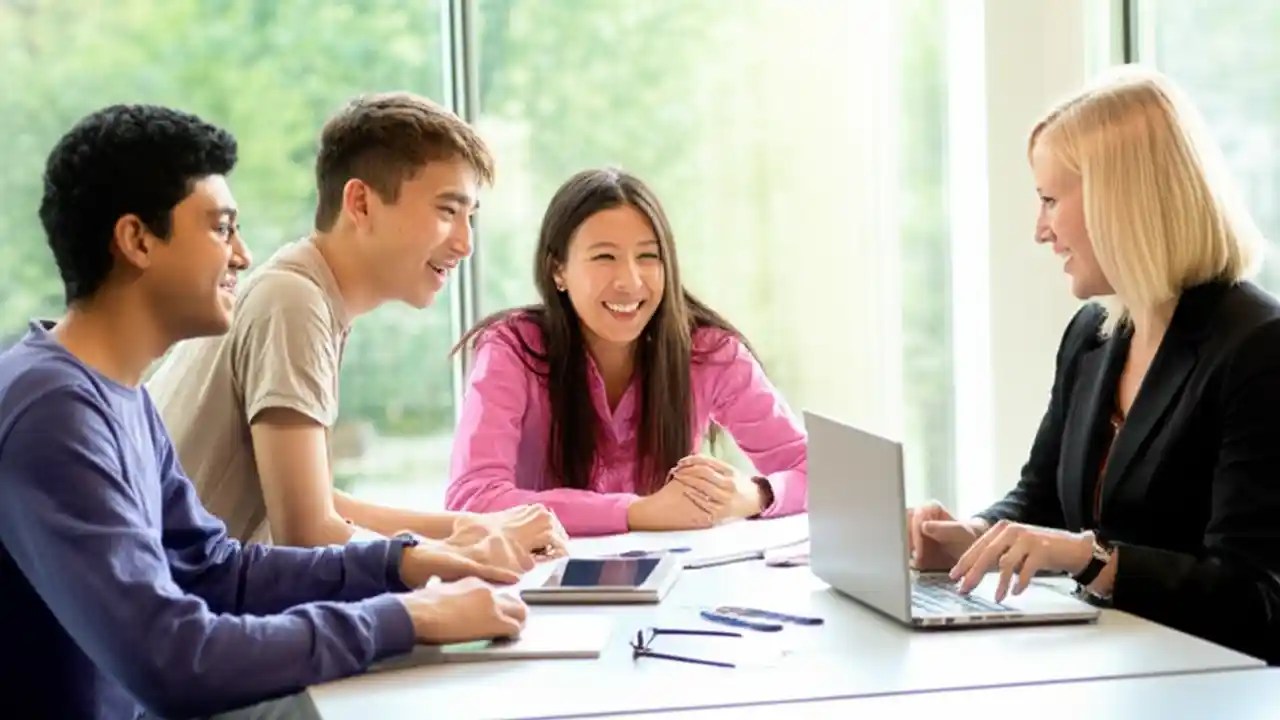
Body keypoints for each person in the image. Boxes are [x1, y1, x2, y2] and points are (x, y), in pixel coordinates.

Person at [0, 104, 528, 719]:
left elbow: (217, 569)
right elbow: (173, 657)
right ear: (137, 241)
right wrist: (406, 617)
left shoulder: (119, 394)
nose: (242, 255)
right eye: (221, 229)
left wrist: (402, 563)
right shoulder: (53, 411)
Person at [907, 66, 1280, 663]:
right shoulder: (1095, 335)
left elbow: (1256, 599)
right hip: (1113, 665)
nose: (1041, 230)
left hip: (1211, 684)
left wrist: (1093, 559)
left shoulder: (1259, 347)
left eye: (1050, 201)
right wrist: (965, 540)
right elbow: (1038, 503)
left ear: (1120, 203)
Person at [147, 92, 566, 562]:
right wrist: (468, 553)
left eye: (469, 218)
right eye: (448, 211)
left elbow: (320, 503)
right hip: (183, 600)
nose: (465, 243)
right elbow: (307, 533)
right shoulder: (293, 303)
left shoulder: (300, 291)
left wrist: (476, 528)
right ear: (361, 203)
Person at [445, 168, 807, 536]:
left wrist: (756, 494)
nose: (630, 281)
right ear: (558, 270)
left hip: (676, 569)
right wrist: (637, 511)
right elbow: (473, 499)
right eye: (605, 257)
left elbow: (818, 472)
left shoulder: (709, 353)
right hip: (542, 570)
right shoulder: (512, 350)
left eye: (648, 256)